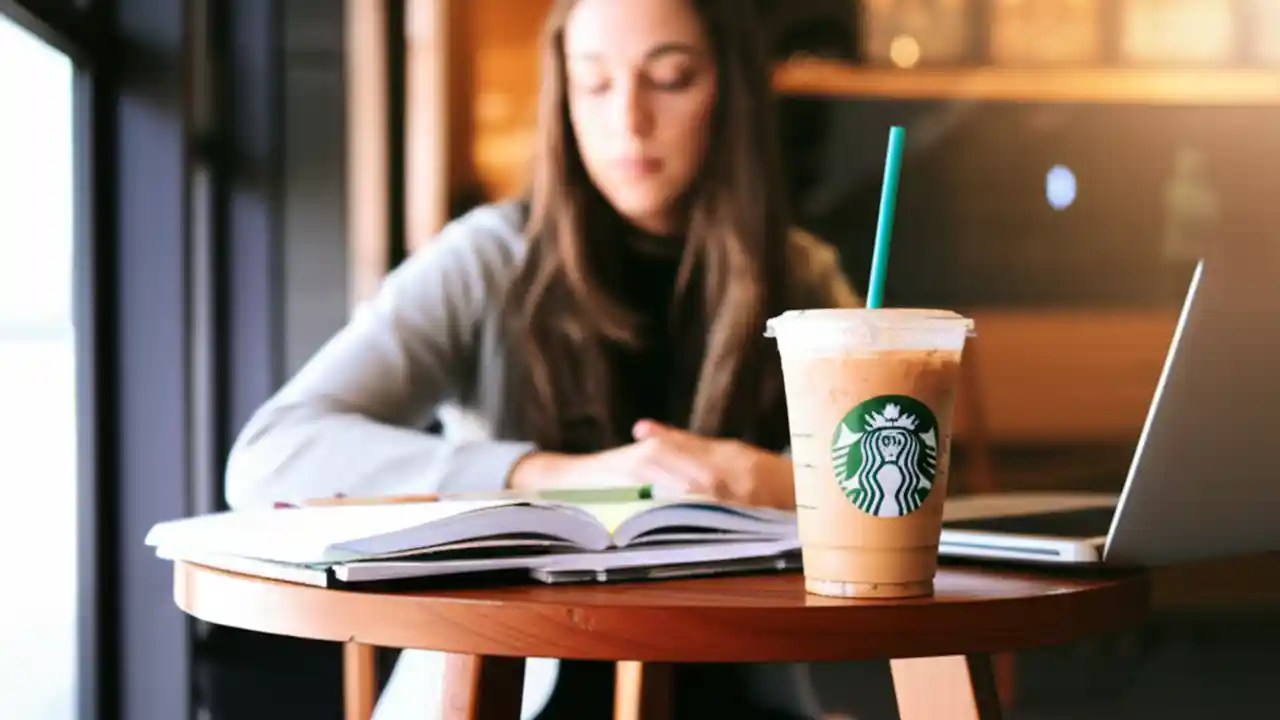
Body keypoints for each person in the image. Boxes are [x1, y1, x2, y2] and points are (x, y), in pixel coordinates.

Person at [224, 0, 860, 716]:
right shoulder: (490, 258)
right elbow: (269, 455)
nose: (629, 119)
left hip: (738, 684)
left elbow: (907, 494)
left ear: (731, 92)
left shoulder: (802, 279)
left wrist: (788, 481)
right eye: (593, 84)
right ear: (562, 98)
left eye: (672, 78)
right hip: (508, 688)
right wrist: (559, 478)